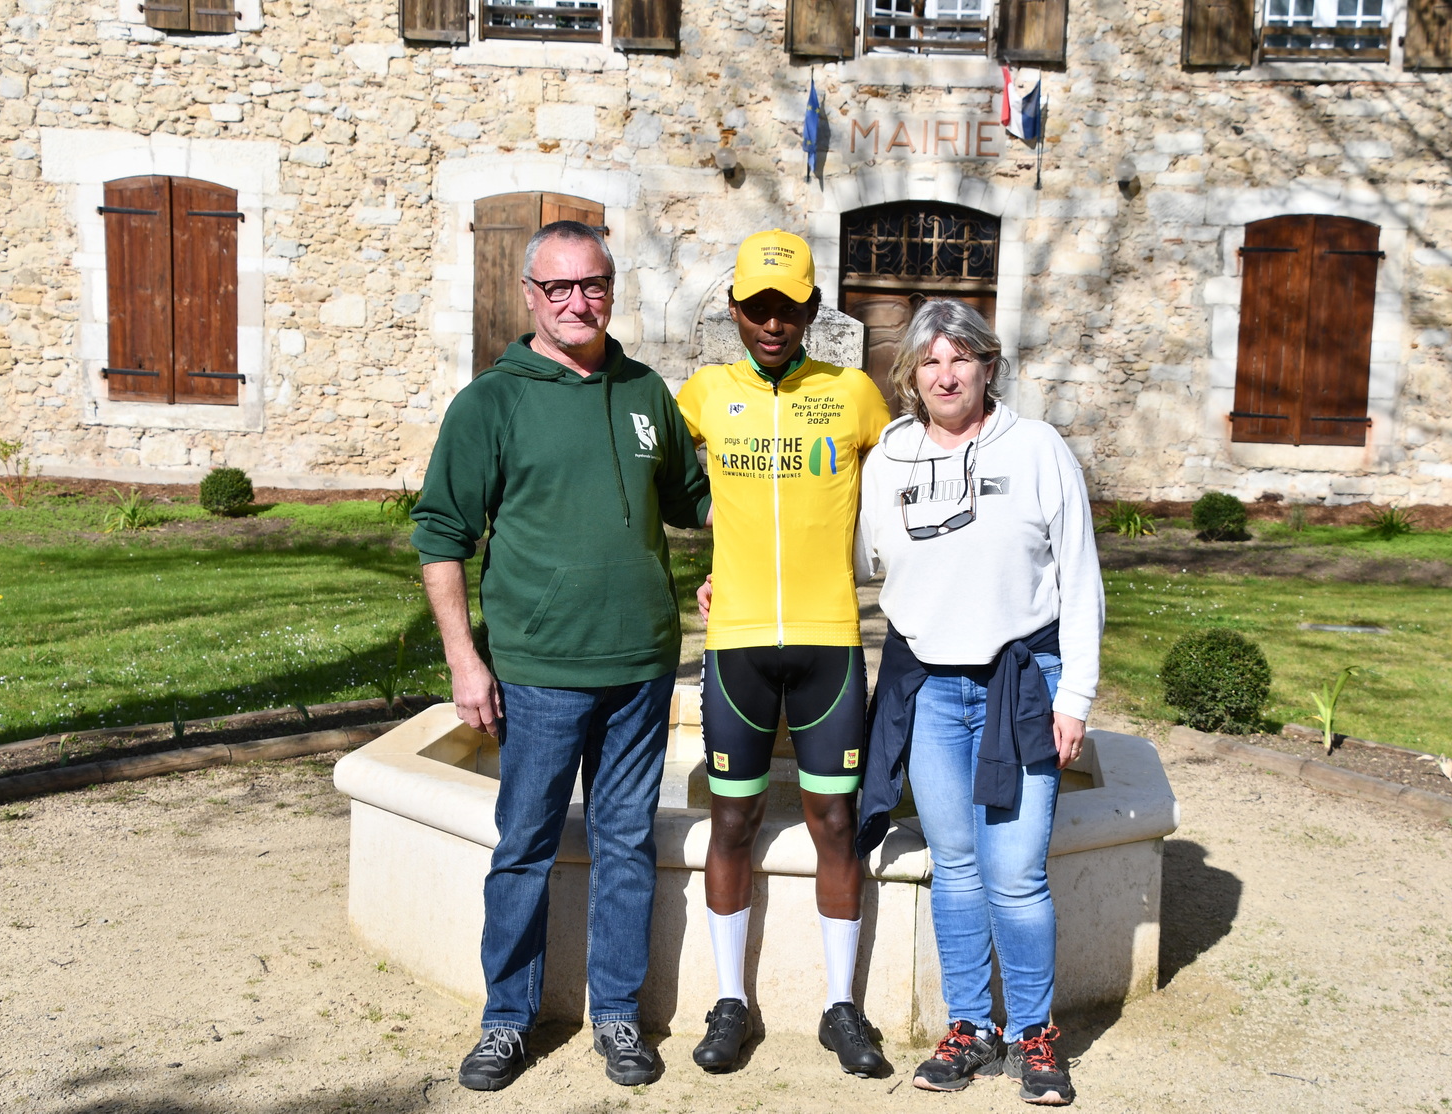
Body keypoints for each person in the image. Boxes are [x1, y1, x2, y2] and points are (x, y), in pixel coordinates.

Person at [410, 221, 711, 1092]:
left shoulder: (649, 392)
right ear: (531, 297)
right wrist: (467, 662)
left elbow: (697, 501)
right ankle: (508, 1018)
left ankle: (618, 1015)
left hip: (642, 666)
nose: (580, 302)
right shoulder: (491, 404)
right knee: (525, 846)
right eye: (560, 289)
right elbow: (440, 537)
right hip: (538, 671)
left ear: (613, 288)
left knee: (626, 844)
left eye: (595, 285)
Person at [855, 298, 1104, 1106]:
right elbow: (853, 556)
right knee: (956, 869)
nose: (946, 373)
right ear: (911, 378)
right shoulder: (888, 458)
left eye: (961, 356)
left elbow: (1080, 580)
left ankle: (1034, 1035)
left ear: (988, 365)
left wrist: (1076, 697)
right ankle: (970, 1029)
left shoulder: (1035, 449)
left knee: (1016, 873)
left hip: (1020, 684)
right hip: (928, 686)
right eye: (929, 361)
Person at [675, 230, 892, 1075]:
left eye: (789, 307)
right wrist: (707, 568)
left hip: (829, 641)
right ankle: (730, 1003)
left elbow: (915, 476)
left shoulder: (855, 394)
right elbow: (669, 487)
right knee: (731, 817)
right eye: (757, 306)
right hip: (736, 645)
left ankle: (843, 1009)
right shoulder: (701, 395)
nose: (772, 322)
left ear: (812, 310)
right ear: (734, 308)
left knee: (836, 821)